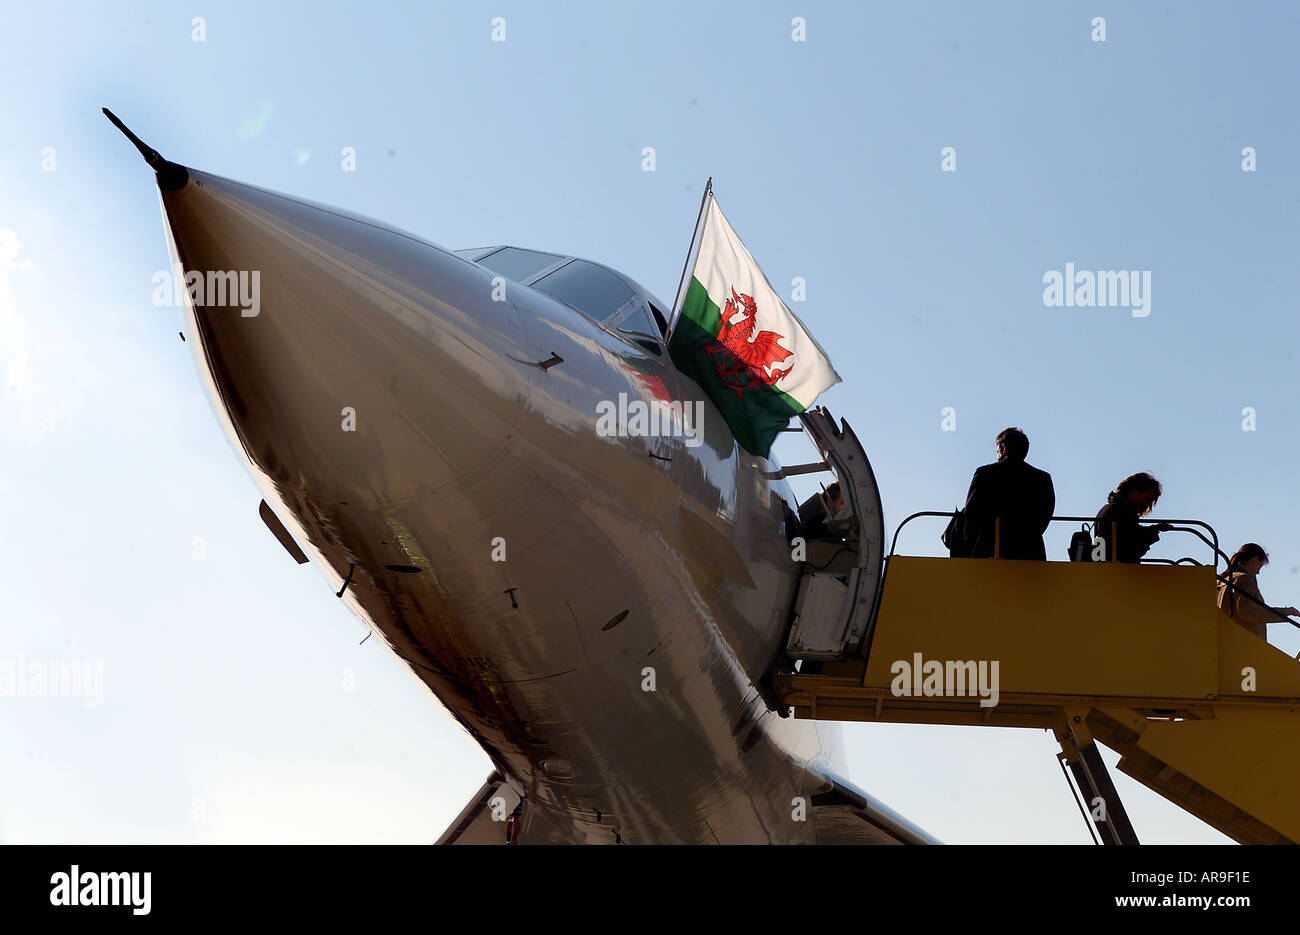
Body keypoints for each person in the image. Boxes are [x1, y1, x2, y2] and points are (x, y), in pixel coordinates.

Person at [962, 427, 1055, 560]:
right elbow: (1045, 514)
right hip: (1031, 551)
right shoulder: (1043, 478)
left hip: (990, 549)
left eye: (997, 450)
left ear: (1003, 448)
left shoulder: (984, 473)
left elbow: (972, 513)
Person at [1216, 543, 1299, 639]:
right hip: (1245, 643)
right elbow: (1249, 613)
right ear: (1254, 560)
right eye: (1260, 566)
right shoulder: (1243, 579)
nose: (1258, 572)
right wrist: (1287, 612)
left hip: (1227, 639)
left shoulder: (1223, 581)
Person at [1094, 472, 1172, 563]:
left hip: (1105, 565)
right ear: (1134, 491)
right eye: (1147, 499)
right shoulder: (1121, 510)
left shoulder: (1109, 508)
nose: (1147, 504)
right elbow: (1130, 541)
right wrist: (1154, 530)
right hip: (1119, 568)